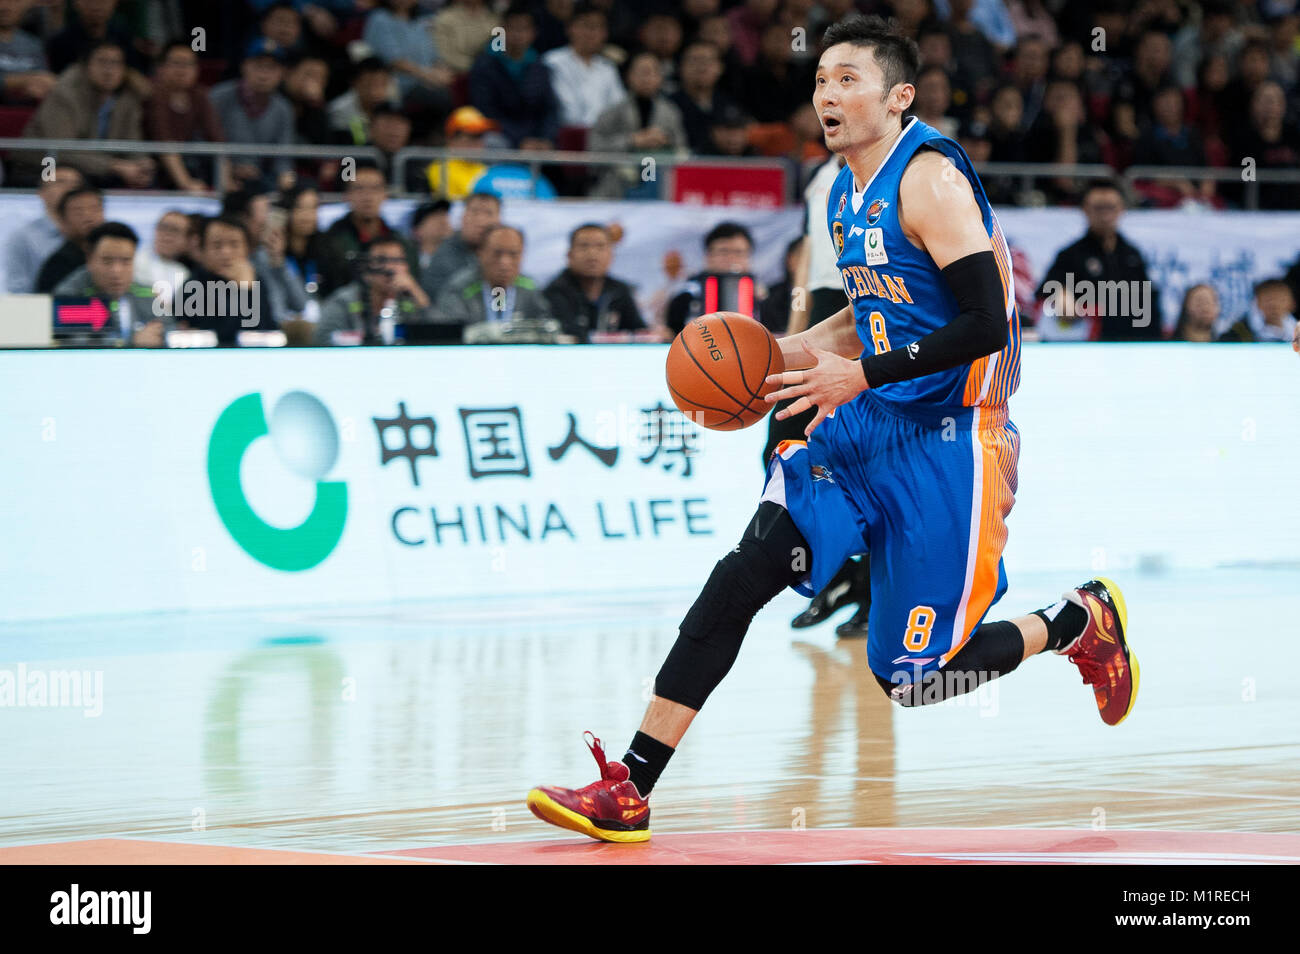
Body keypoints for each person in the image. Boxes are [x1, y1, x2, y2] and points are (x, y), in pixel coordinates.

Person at [526, 15, 1138, 844]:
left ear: (899, 97)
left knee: (913, 680)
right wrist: (784, 354)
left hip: (952, 442)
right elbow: (867, 312)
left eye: (848, 79)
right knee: (741, 577)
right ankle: (629, 786)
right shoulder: (844, 189)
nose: (828, 94)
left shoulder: (929, 180)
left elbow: (988, 322)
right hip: (864, 426)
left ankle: (1073, 622)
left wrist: (862, 373)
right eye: (820, 80)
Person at [1034, 179, 1163, 341]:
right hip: (1088, 342)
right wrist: (1060, 293)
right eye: (1098, 208)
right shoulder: (1071, 254)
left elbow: (1147, 299)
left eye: (1111, 207)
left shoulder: (1132, 254)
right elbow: (1044, 292)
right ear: (1085, 210)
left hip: (1130, 340)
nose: (1105, 215)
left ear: (1121, 209)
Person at [21, 40, 153, 189]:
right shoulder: (64, 96)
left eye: (116, 63)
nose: (109, 71)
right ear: (86, 66)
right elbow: (61, 150)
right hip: (44, 165)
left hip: (98, 170)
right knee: (69, 181)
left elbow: (133, 143)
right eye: (102, 62)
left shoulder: (128, 99)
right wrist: (115, 166)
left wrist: (142, 163)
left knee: (147, 182)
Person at [588, 51, 688, 198]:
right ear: (629, 76)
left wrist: (664, 141)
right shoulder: (612, 111)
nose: (647, 78)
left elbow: (682, 149)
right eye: (642, 72)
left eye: (653, 72)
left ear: (660, 78)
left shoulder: (670, 112)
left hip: (658, 179)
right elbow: (594, 148)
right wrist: (632, 140)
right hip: (616, 184)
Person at [52, 221, 166, 347]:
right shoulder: (70, 297)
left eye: (126, 261)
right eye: (107, 261)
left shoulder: (147, 293)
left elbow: (169, 330)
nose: (116, 271)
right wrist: (131, 344)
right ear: (89, 259)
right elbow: (76, 345)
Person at [432, 224, 554, 341]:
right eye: (497, 253)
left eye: (513, 254)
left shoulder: (530, 287)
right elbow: (449, 332)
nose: (505, 263)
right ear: (480, 253)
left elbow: (547, 328)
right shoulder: (460, 289)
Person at [467, 3, 559, 149]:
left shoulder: (540, 66)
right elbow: (486, 112)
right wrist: (520, 140)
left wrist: (545, 139)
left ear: (534, 33)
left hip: (535, 140)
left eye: (524, 29)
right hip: (501, 136)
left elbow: (549, 110)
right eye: (512, 28)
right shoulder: (485, 65)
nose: (518, 34)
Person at [314, 234, 433, 345]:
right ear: (365, 267)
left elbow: (439, 334)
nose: (390, 268)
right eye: (382, 260)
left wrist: (418, 294)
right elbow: (322, 338)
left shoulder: (411, 299)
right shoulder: (344, 301)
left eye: (398, 260)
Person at [318, 161, 416, 295]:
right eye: (359, 188)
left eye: (375, 188)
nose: (368, 196)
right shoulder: (330, 241)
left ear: (385, 195)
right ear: (346, 195)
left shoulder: (401, 242)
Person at [210, 39, 296, 189]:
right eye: (258, 66)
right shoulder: (219, 97)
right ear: (244, 66)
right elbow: (204, 143)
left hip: (261, 179)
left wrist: (286, 181)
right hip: (216, 173)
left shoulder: (283, 108)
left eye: (272, 68)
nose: (264, 74)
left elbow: (283, 157)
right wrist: (230, 169)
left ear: (282, 73)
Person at [182, 215, 279, 346]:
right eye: (217, 245)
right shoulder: (193, 287)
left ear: (248, 250)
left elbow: (269, 328)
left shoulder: (255, 279)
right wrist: (244, 291)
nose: (226, 253)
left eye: (234, 244)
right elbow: (226, 336)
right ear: (202, 250)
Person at [144, 40, 224, 193]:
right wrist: (186, 184)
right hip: (156, 167)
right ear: (161, 67)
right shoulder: (154, 95)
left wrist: (225, 185)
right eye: (176, 63)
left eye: (188, 64)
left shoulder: (199, 95)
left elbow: (217, 140)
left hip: (187, 164)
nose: (182, 70)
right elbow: (165, 144)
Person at [543, 223, 645, 341]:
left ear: (611, 255)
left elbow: (640, 333)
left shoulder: (620, 291)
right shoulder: (555, 292)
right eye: (584, 247)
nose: (592, 254)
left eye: (600, 247)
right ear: (569, 255)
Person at [665, 222, 766, 336]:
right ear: (708, 256)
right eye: (723, 251)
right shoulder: (686, 296)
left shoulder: (762, 298)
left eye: (739, 252)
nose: (731, 258)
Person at [4, 163, 83, 293]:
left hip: (90, 304)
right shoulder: (23, 238)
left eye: (76, 184)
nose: (70, 188)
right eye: (61, 182)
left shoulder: (93, 234)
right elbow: (18, 290)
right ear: (42, 192)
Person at [542, 3, 624, 128]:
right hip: (567, 134)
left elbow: (618, 108)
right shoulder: (552, 62)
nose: (592, 33)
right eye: (586, 26)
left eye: (598, 27)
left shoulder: (608, 68)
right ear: (569, 28)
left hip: (604, 135)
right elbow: (567, 113)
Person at [419, 190, 500, 300]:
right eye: (474, 212)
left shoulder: (503, 251)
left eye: (488, 213)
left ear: (499, 220)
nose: (481, 220)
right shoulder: (446, 253)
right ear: (463, 217)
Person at [35, 186, 105, 293]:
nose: (88, 217)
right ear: (62, 221)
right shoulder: (58, 264)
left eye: (95, 209)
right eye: (79, 212)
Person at [1217, 279, 1297, 343]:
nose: (1275, 305)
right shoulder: (1238, 332)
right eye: (1269, 300)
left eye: (1281, 300)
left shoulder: (1296, 331)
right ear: (1257, 302)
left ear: (1292, 303)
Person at [134, 209, 192, 289]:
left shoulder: (184, 274)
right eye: (163, 227)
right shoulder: (134, 261)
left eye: (175, 230)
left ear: (186, 240)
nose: (167, 235)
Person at [410, 199, 452, 272]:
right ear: (417, 231)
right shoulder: (408, 262)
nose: (443, 220)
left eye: (444, 214)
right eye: (435, 216)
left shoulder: (463, 259)